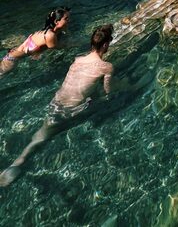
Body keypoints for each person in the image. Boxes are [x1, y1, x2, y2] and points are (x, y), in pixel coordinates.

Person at [0, 25, 114, 186]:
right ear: (105, 45)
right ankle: (16, 166)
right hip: (70, 110)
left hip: (56, 102)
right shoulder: (106, 66)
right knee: (42, 138)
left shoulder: (78, 59)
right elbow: (107, 91)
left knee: (42, 134)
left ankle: (16, 164)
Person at [1, 7, 70, 74]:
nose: (69, 20)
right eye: (66, 19)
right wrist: (74, 44)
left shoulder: (46, 31)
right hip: (12, 59)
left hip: (13, 54)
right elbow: (59, 47)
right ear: (56, 22)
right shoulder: (50, 35)